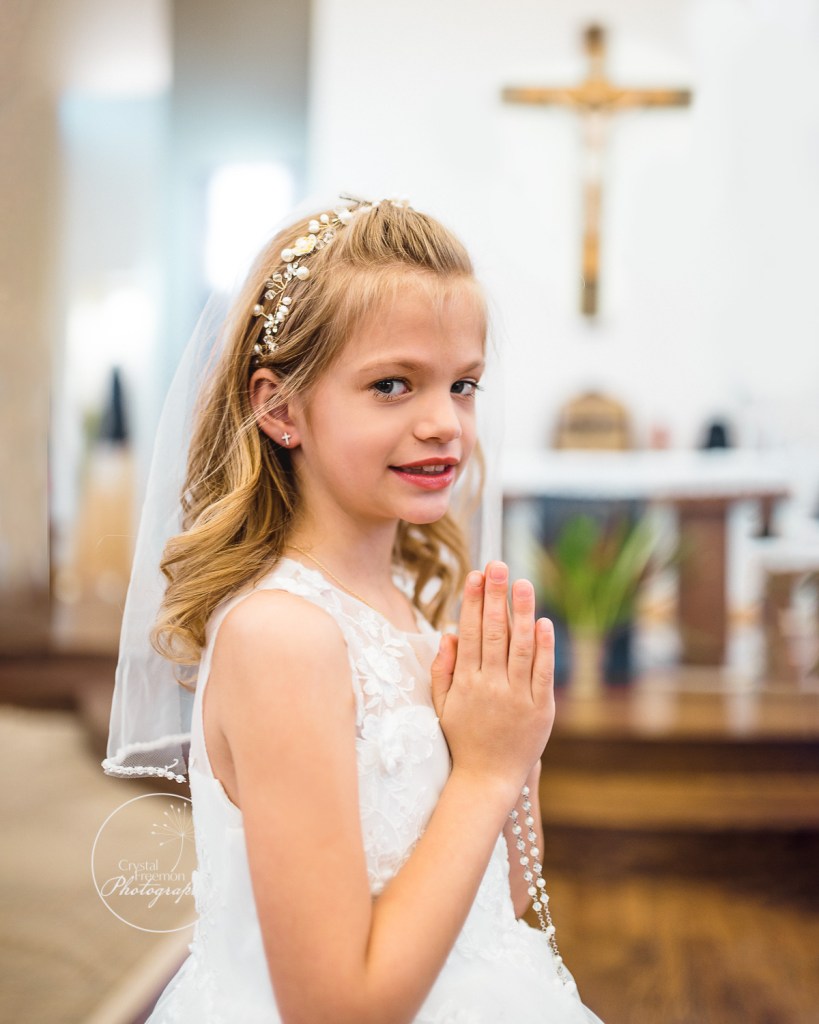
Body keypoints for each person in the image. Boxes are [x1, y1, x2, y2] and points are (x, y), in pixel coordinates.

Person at [104, 197, 603, 1023]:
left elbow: (502, 897)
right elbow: (335, 1007)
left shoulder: (407, 604)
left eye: (463, 384)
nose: (443, 423)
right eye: (391, 385)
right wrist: (483, 770)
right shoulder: (281, 637)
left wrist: (515, 748)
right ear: (280, 408)